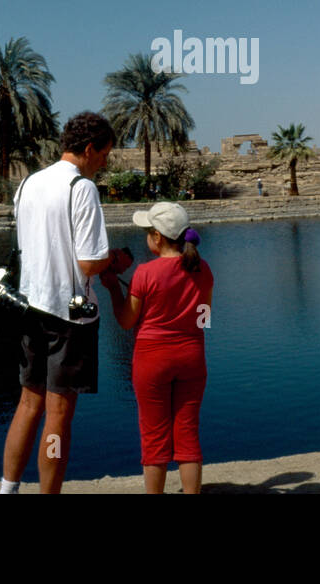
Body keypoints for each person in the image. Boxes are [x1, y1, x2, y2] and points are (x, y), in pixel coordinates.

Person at [0, 112, 132, 495]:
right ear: (89, 149)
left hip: (29, 306)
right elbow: (89, 262)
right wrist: (116, 260)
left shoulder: (27, 184)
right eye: (104, 154)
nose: (106, 162)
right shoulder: (81, 187)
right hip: (68, 315)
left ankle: (8, 489)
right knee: (58, 415)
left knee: (27, 404)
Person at [102, 204, 213, 494]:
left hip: (152, 360)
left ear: (157, 237)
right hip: (192, 356)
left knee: (154, 437)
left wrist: (115, 289)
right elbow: (204, 317)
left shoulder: (144, 273)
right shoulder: (204, 269)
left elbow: (127, 321)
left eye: (146, 233)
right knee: (187, 434)